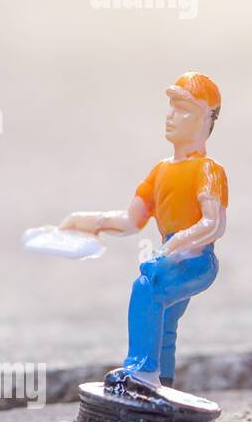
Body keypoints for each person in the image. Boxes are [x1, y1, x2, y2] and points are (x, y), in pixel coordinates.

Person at [59, 72, 227, 395]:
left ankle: (141, 371)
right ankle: (163, 386)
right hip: (175, 259)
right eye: (171, 107)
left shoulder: (209, 171)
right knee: (163, 325)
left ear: (207, 119)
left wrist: (177, 243)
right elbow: (129, 221)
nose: (171, 116)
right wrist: (87, 221)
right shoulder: (161, 172)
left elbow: (214, 224)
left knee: (147, 288)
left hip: (197, 262)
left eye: (184, 110)